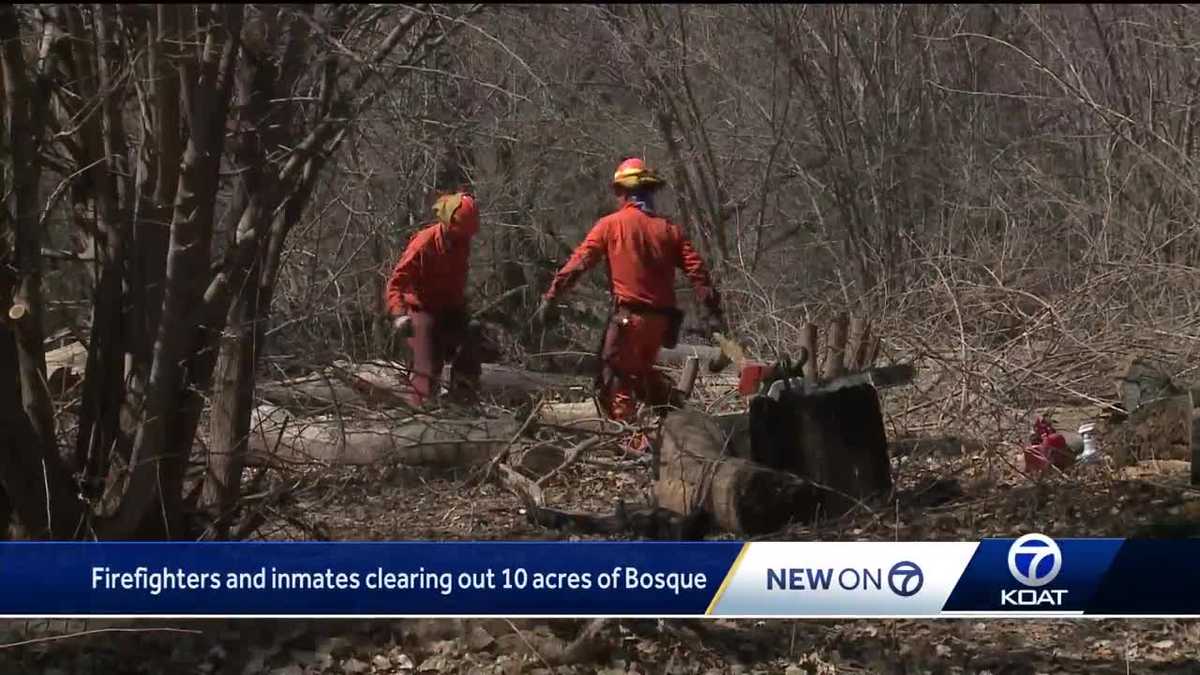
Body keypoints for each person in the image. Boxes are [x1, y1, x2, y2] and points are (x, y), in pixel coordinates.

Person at [533, 157, 724, 424]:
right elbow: (697, 270)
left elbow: (579, 263)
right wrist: (712, 309)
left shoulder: (611, 225)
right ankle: (677, 418)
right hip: (661, 322)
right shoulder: (669, 230)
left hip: (629, 319)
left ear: (624, 192)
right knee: (642, 374)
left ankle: (633, 442)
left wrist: (552, 296)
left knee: (615, 380)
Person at [385, 191, 483, 408]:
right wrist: (399, 314)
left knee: (473, 336)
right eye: (461, 233)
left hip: (451, 309)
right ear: (449, 223)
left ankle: (463, 401)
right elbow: (396, 283)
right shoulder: (423, 244)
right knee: (427, 365)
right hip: (422, 309)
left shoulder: (462, 243)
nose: (464, 238)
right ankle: (421, 410)